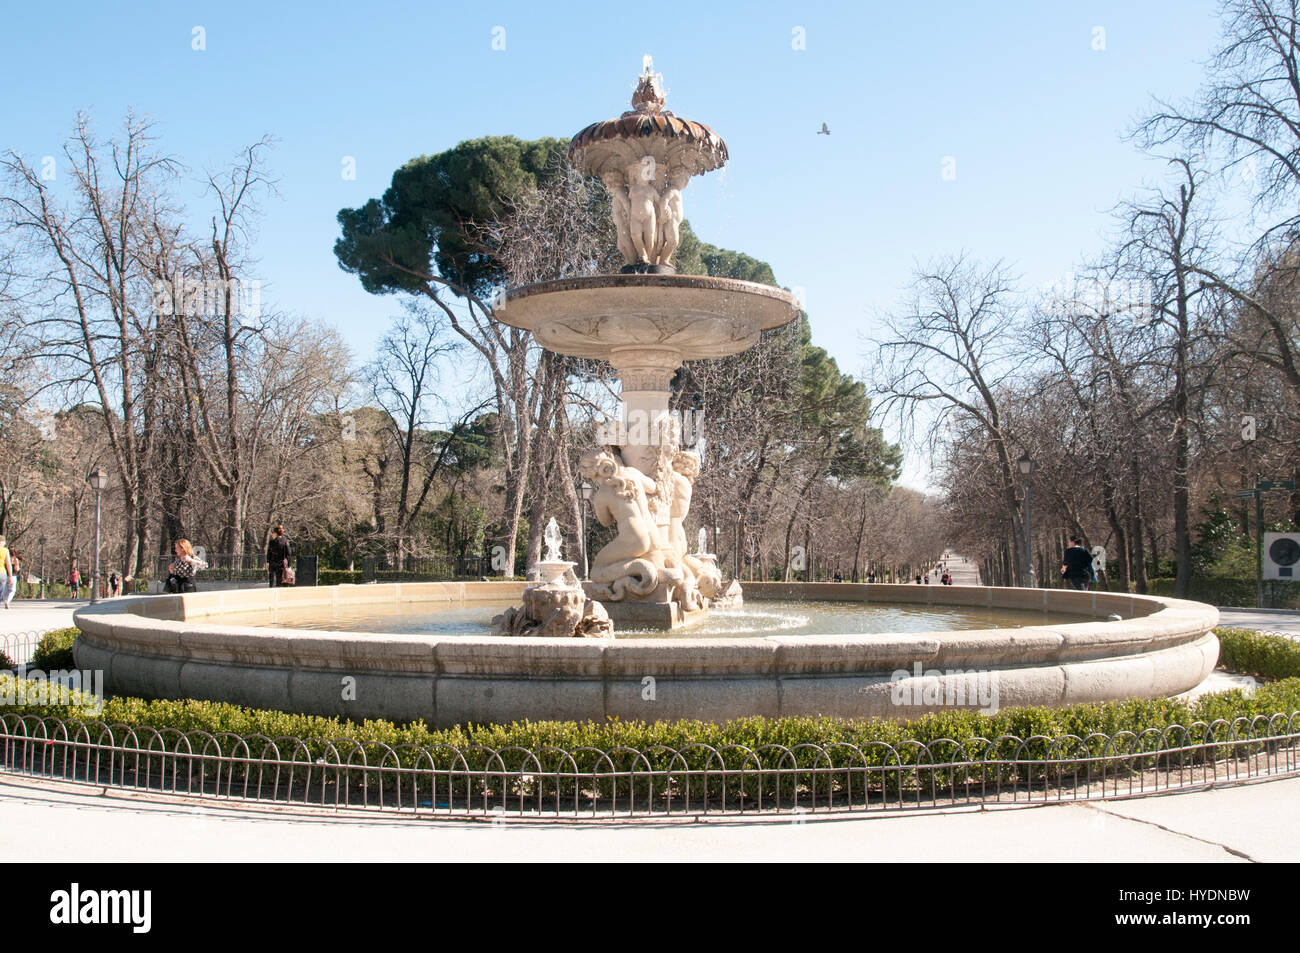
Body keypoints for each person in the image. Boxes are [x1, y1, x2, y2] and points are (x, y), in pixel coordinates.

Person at [0, 536, 13, 609]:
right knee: (1, 590)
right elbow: (8, 564)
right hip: (2, 573)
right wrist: (10, 576)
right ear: (3, 542)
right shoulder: (5, 551)